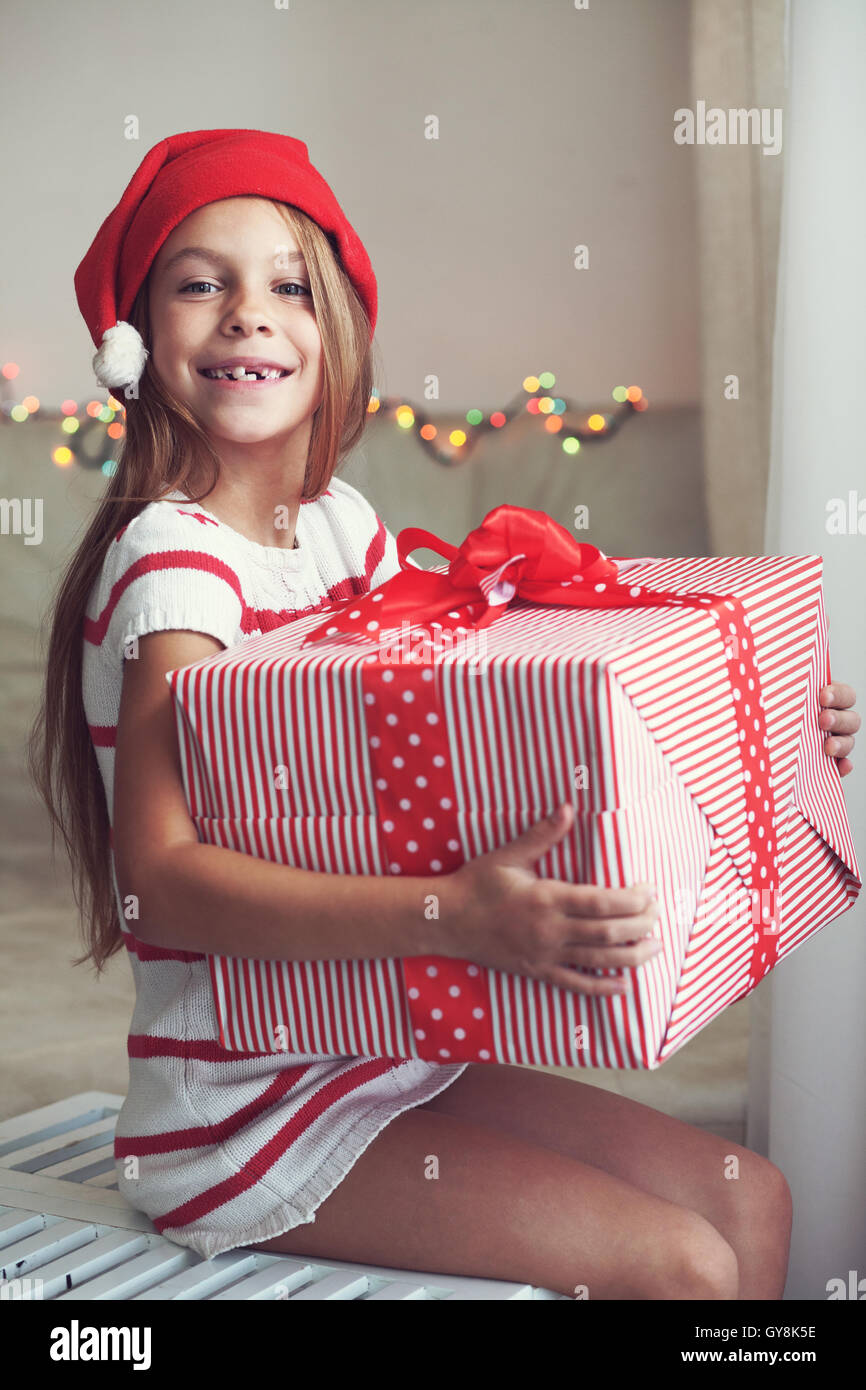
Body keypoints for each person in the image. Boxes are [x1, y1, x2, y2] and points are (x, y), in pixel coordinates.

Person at [28, 128, 860, 1301]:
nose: (246, 315)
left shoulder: (340, 526)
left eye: (287, 286)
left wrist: (766, 726)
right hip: (242, 1117)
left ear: (337, 332)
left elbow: (483, 725)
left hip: (387, 1055)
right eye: (199, 283)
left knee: (747, 1195)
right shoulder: (175, 562)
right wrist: (451, 915)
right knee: (681, 1268)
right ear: (136, 341)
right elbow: (158, 882)